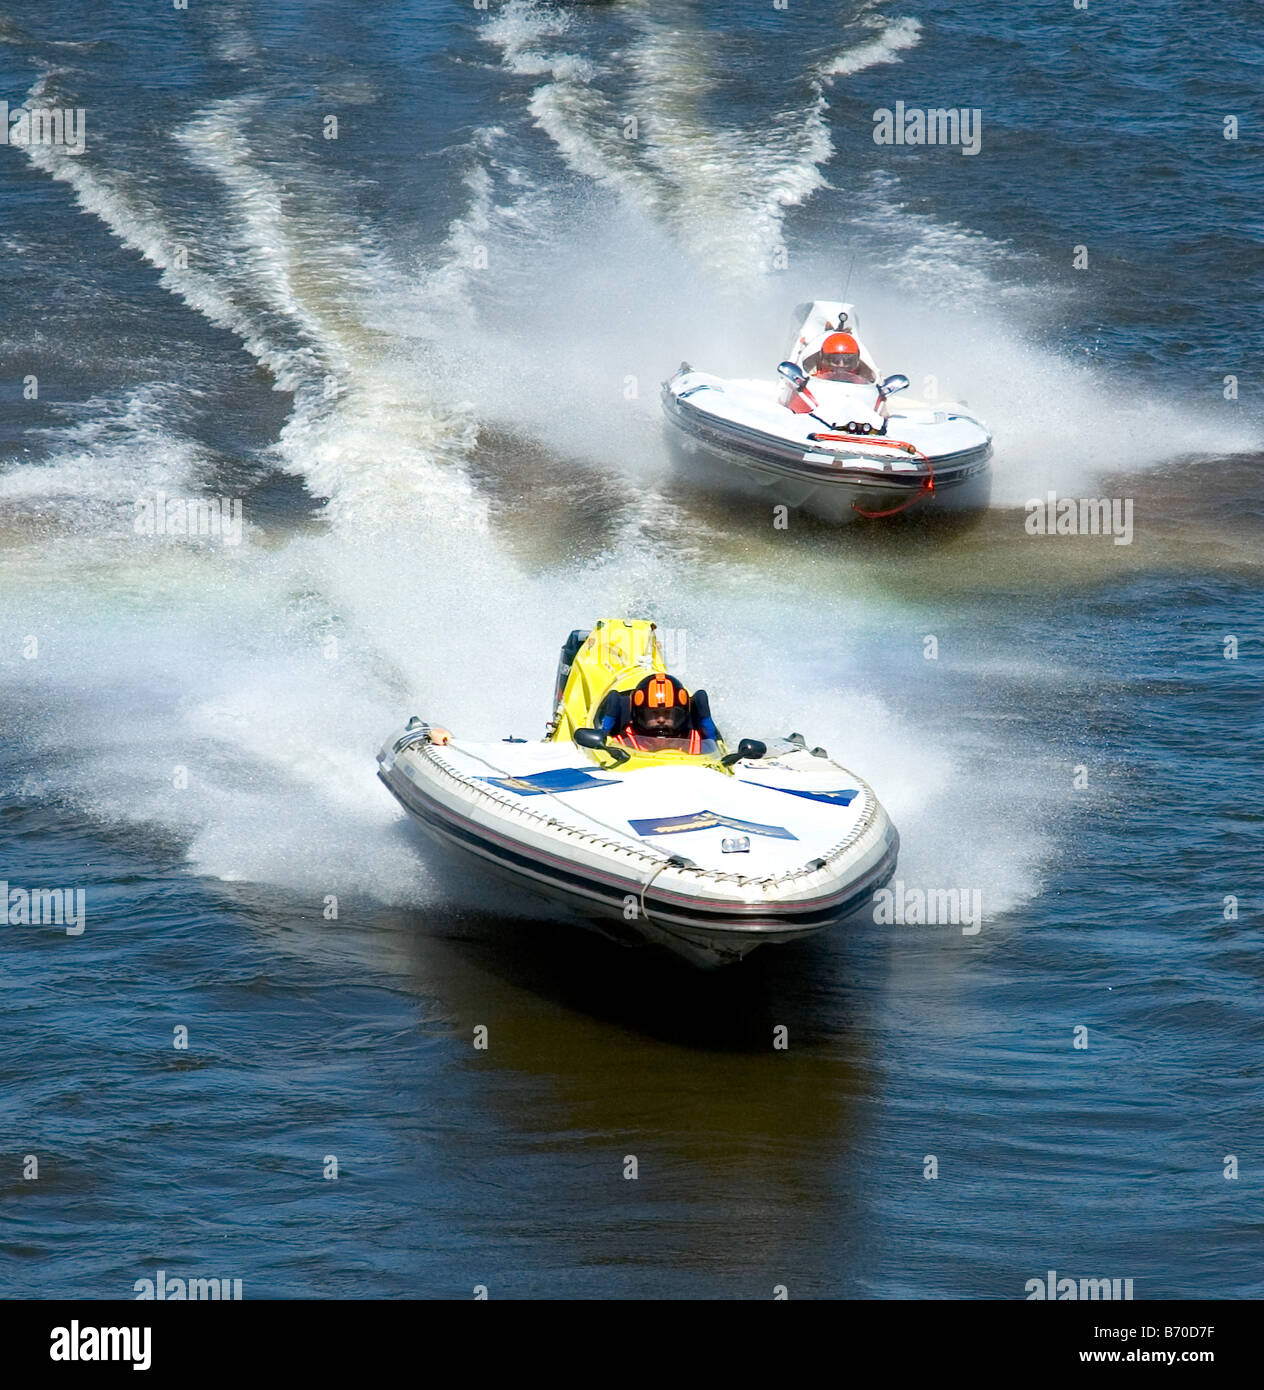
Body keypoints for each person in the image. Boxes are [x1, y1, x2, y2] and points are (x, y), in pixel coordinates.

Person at [599, 673, 718, 753]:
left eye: (667, 713)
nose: (661, 719)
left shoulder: (698, 743)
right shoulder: (620, 743)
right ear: (640, 714)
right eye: (654, 713)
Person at [810, 330, 876, 385]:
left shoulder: (864, 374)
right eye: (835, 360)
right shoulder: (813, 375)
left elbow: (873, 383)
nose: (841, 365)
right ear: (824, 358)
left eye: (848, 360)